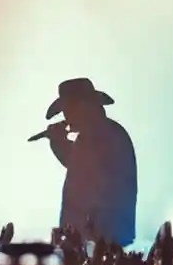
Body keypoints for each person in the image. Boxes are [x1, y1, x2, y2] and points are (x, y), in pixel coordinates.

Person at [41, 78, 138, 246]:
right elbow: (80, 164)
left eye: (69, 110)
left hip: (98, 234)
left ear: (85, 107)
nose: (66, 116)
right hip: (100, 233)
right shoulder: (104, 132)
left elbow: (82, 167)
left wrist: (58, 141)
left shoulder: (101, 134)